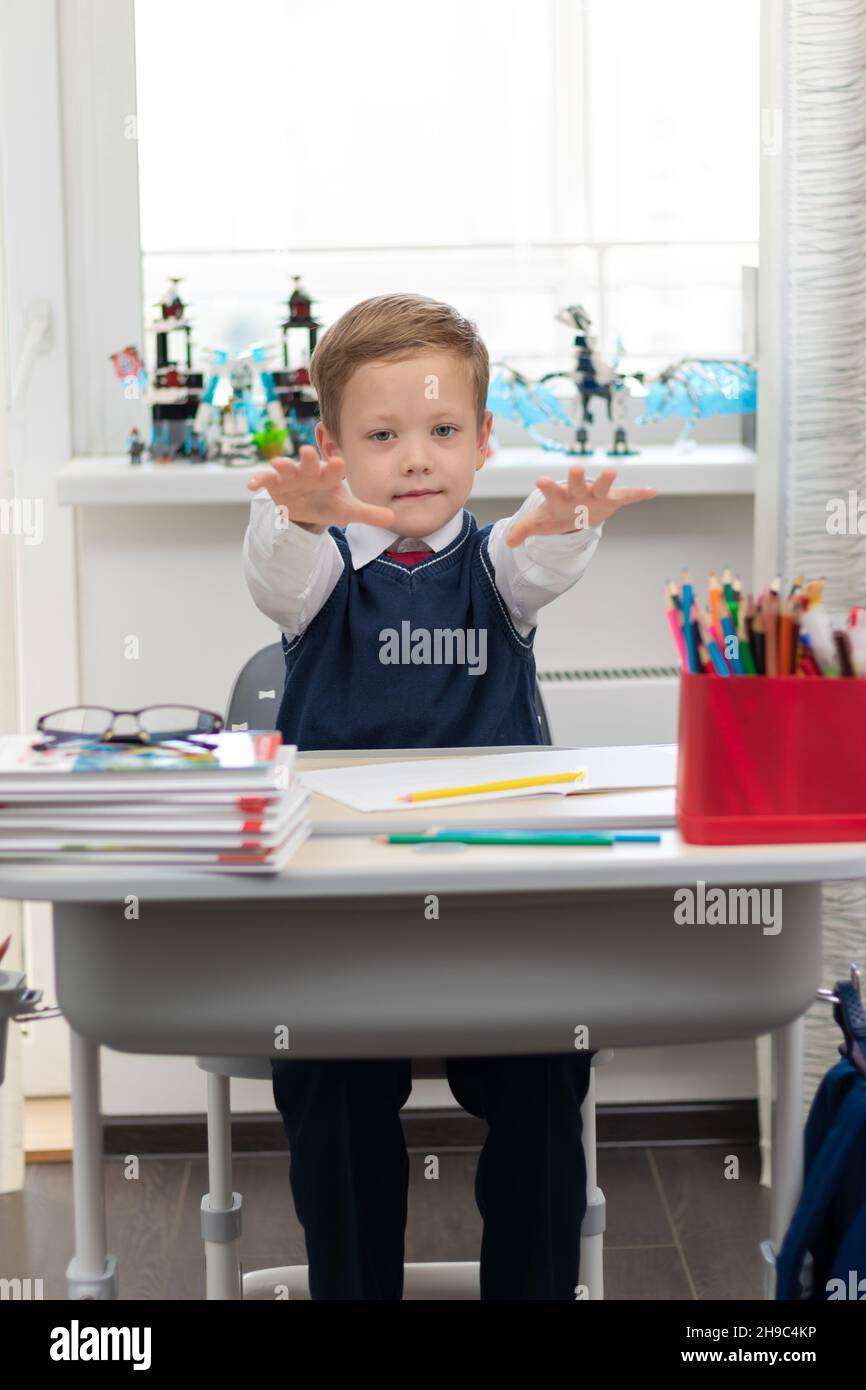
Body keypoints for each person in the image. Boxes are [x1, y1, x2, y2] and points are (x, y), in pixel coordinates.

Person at [242, 292, 655, 1299]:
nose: (414, 458)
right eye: (381, 436)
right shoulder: (321, 570)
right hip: (341, 924)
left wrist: (563, 523)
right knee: (331, 1084)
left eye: (439, 431)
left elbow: (538, 556)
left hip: (496, 924)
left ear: (481, 443)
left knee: (546, 1067)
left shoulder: (495, 568)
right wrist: (297, 513)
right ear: (333, 450)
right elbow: (275, 571)